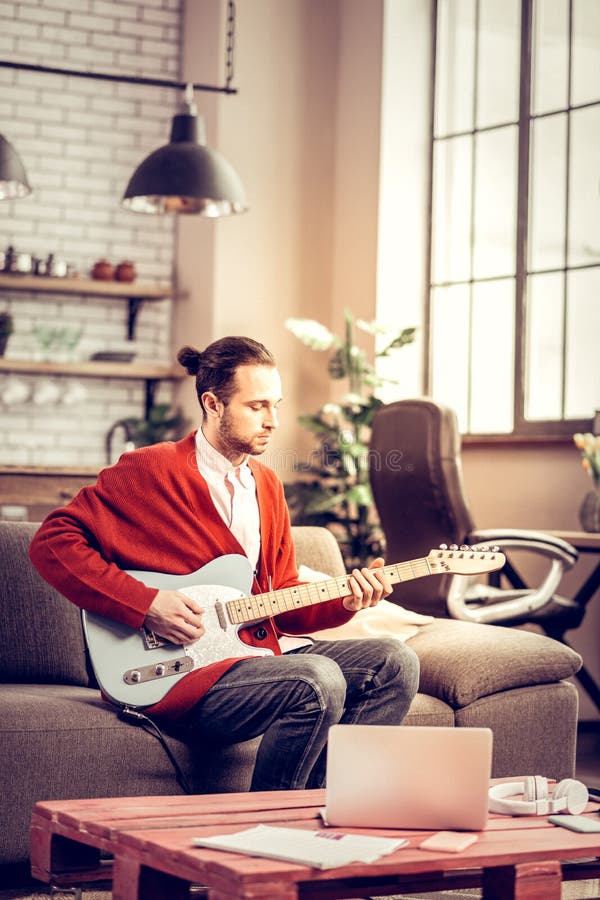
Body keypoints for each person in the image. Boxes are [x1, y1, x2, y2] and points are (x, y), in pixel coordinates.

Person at [29, 336, 419, 791]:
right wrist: (147, 604)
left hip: (255, 660)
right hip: (180, 677)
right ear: (213, 404)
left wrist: (349, 602)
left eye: (276, 405)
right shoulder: (150, 470)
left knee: (395, 661)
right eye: (257, 407)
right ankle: (273, 829)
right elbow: (52, 542)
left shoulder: (268, 486)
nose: (274, 421)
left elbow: (281, 602)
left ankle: (333, 810)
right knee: (316, 679)